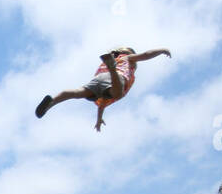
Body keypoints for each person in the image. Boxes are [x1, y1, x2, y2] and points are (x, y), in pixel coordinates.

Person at [35, 47, 172, 132]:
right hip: (115, 76)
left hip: (99, 78)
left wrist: (99, 119)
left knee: (77, 93)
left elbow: (101, 105)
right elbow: (146, 54)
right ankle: (112, 68)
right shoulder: (126, 58)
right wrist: (161, 50)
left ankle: (51, 103)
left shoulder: (104, 64)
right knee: (117, 93)